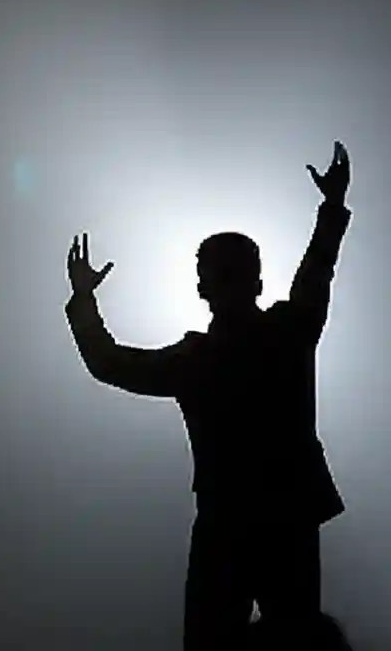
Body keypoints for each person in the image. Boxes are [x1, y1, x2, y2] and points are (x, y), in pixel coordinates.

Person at [64, 141, 354, 650]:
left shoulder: (195, 362)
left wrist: (85, 300)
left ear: (202, 288)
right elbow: (316, 273)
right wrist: (330, 208)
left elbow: (107, 363)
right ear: (258, 281)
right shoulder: (287, 332)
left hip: (227, 525)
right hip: (287, 518)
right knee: (297, 639)